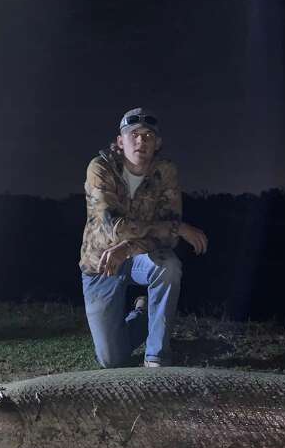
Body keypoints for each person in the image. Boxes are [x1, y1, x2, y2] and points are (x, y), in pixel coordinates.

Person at [79, 107, 208, 368]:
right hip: (101, 264)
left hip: (139, 256)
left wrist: (128, 248)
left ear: (157, 143)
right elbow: (116, 227)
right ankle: (142, 315)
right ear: (120, 141)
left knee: (168, 266)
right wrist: (178, 228)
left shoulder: (166, 172)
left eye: (148, 136)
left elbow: (168, 239)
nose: (141, 141)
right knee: (111, 360)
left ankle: (157, 355)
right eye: (134, 135)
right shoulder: (100, 167)